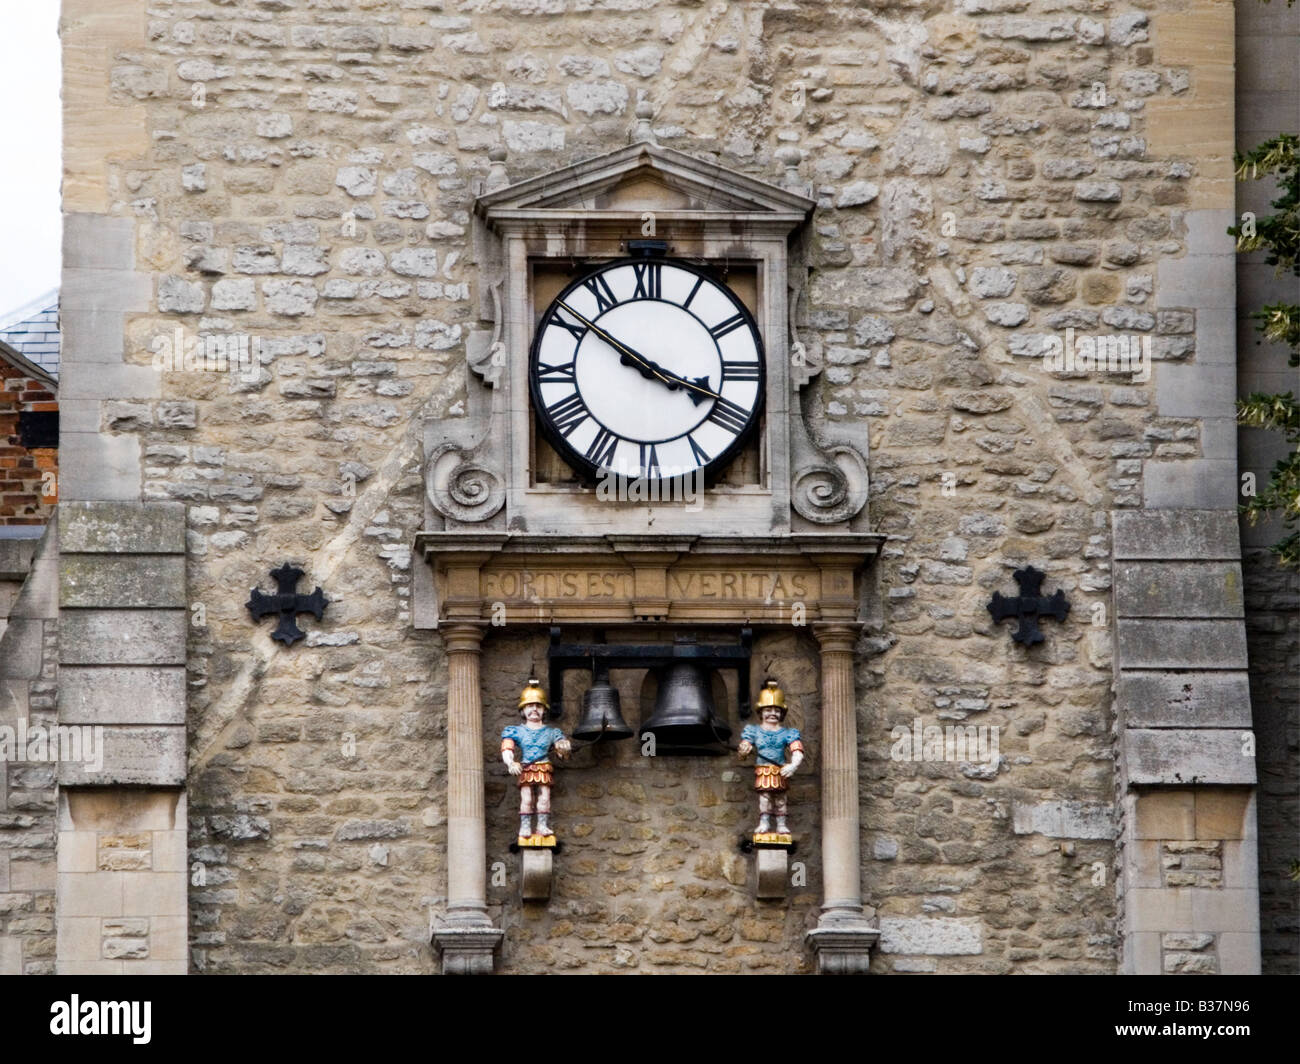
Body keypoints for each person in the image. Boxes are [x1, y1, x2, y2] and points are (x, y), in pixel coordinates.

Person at [501, 678, 571, 841]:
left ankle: (541, 825)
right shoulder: (515, 731)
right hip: (526, 767)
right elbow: (507, 748)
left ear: (544, 710)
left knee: (544, 798)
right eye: (530, 706)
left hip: (543, 766)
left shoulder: (552, 732)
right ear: (523, 710)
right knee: (526, 798)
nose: (534, 709)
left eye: (538, 706)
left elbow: (561, 750)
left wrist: (564, 746)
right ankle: (525, 826)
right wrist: (511, 762)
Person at [737, 680, 804, 837]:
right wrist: (744, 750)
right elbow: (744, 748)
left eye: (777, 710)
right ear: (761, 712)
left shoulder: (788, 733)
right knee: (765, 798)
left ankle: (781, 824)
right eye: (768, 710)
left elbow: (797, 750)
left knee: (781, 799)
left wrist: (793, 765)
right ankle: (764, 822)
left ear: (782, 713)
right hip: (763, 770)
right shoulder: (753, 731)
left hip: (780, 770)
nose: (773, 713)